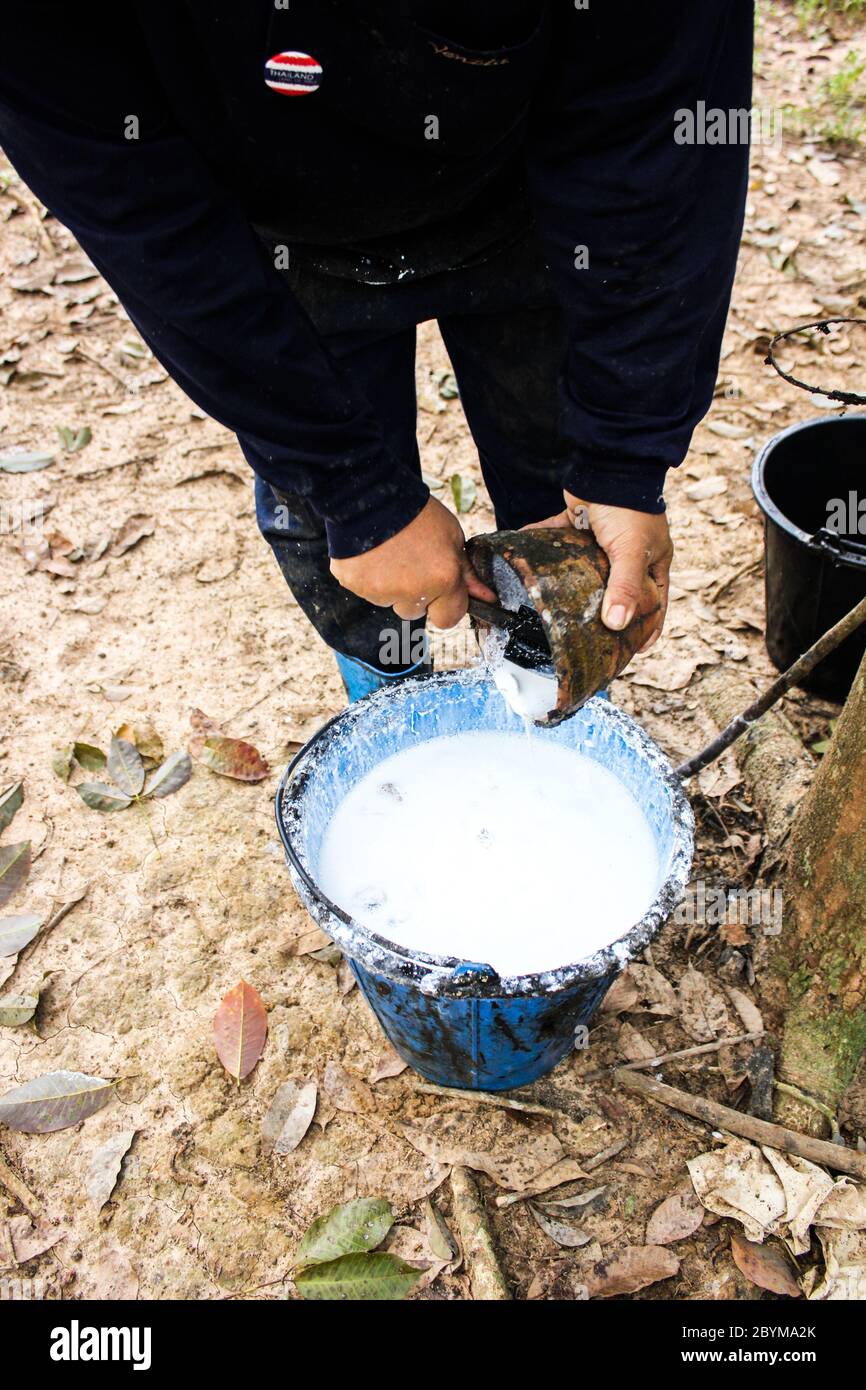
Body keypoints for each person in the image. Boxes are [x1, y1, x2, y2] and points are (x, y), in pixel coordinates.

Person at [0, 2, 752, 699]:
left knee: (568, 509)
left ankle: (561, 694)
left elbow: (657, 133)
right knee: (341, 542)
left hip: (538, 199)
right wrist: (357, 493)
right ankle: (393, 714)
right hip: (267, 236)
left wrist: (621, 458)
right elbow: (143, 216)